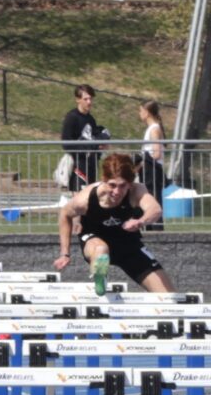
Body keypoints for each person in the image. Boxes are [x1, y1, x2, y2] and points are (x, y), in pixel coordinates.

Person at [56, 152, 173, 295]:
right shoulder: (86, 199)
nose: (117, 192)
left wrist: (140, 221)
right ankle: (100, 276)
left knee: (168, 296)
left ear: (130, 183)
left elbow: (155, 209)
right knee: (101, 250)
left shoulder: (137, 190)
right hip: (94, 239)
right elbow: (65, 214)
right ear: (104, 180)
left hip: (128, 244)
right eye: (112, 185)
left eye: (123, 186)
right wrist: (65, 253)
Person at [61, 84, 109, 192]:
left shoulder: (90, 119)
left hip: (91, 164)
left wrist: (100, 145)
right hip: (77, 166)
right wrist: (84, 149)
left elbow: (94, 138)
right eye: (85, 99)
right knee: (79, 200)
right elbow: (66, 143)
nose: (89, 102)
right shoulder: (72, 117)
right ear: (78, 100)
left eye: (91, 98)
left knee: (90, 197)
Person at [137, 99, 166, 225]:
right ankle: (149, 224)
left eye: (141, 110)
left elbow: (157, 153)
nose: (139, 113)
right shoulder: (151, 128)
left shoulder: (154, 129)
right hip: (148, 168)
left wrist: (144, 159)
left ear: (147, 112)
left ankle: (157, 225)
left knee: (154, 197)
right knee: (148, 197)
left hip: (153, 169)